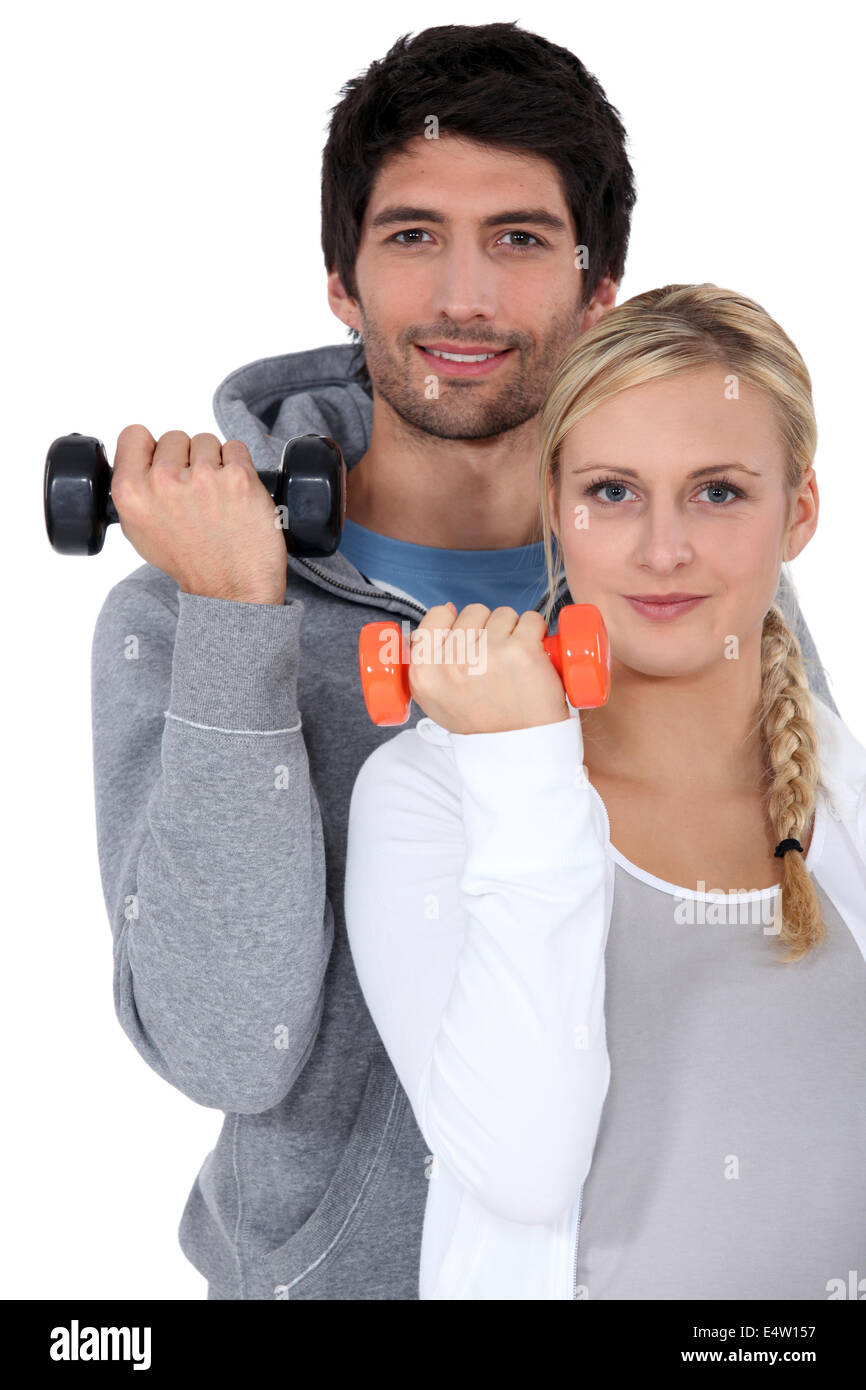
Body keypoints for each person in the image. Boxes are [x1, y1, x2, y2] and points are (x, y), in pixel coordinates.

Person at [91, 24, 838, 1300]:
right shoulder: (182, 612)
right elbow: (228, 1052)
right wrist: (238, 624)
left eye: (520, 239)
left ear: (597, 286)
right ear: (341, 277)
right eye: (412, 236)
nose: (464, 299)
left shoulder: (687, 586)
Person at [343, 282, 866, 1300]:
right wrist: (521, 758)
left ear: (796, 511)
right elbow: (524, 1169)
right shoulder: (431, 797)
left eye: (717, 491)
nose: (661, 549)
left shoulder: (842, 786)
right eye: (612, 492)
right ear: (553, 506)